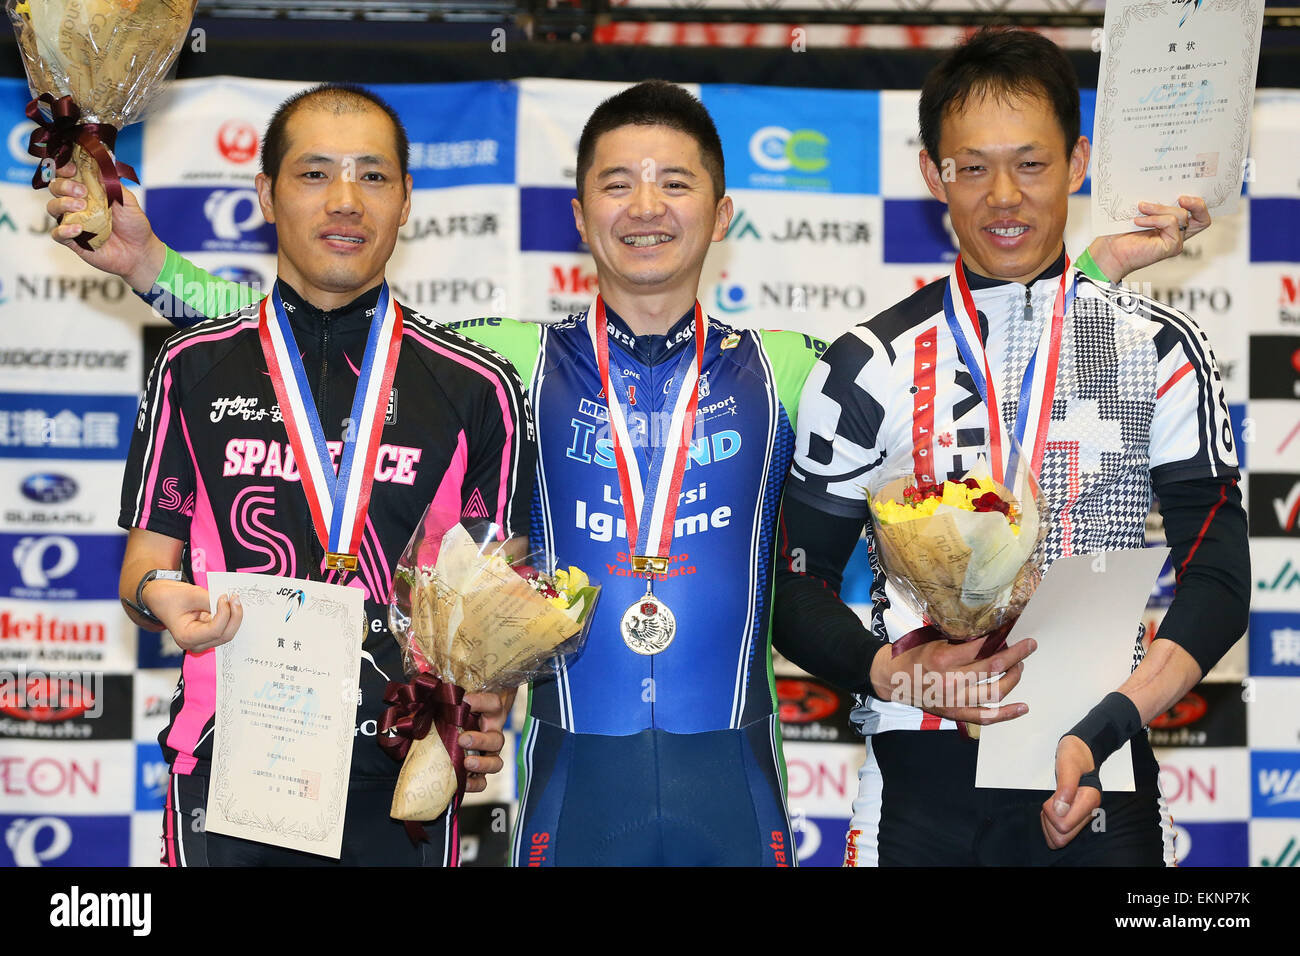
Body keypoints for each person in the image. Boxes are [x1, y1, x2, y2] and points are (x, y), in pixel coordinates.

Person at [51, 79, 1202, 867]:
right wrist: (152, 263)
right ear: (578, 213)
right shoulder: (497, 363)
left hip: (733, 773)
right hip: (568, 774)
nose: (645, 209)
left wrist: (1090, 261)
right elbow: (321, 328)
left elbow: (959, 346)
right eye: (616, 183)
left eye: (673, 184)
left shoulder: (796, 365)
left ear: (722, 211)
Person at [774, 27, 1248, 866]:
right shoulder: (867, 363)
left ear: (1078, 162)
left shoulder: (1155, 347)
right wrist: (897, 673)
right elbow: (795, 586)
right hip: (918, 779)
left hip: (1100, 765)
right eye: (972, 166)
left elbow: (1218, 578)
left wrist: (1102, 730)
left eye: (1031, 164)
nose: (1004, 196)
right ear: (933, 173)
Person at [74, 83, 532, 866]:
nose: (346, 200)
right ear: (266, 194)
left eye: (374, 176)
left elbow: (499, 612)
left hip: (406, 769)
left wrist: (489, 705)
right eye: (315, 174)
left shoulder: (477, 386)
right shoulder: (192, 367)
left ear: (407, 199)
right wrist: (161, 599)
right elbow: (143, 571)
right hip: (231, 760)